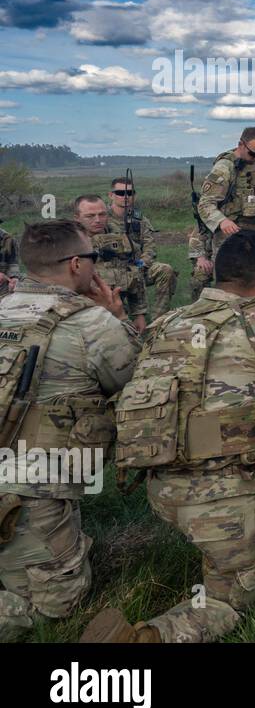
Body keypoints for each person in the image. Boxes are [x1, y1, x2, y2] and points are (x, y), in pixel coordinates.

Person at [82, 230, 255, 643]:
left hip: (162, 488)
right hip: (226, 496)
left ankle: (228, 543)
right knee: (238, 599)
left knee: (243, 547)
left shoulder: (168, 322)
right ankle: (148, 638)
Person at [0, 219, 139, 641]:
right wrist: (116, 316)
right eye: (93, 257)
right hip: (30, 485)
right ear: (76, 263)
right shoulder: (91, 324)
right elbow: (134, 379)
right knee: (56, 609)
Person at [197, 127, 255, 256]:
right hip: (232, 236)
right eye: (253, 154)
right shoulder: (225, 167)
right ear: (241, 145)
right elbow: (205, 204)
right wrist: (222, 221)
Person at [73, 194, 147, 332]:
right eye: (90, 216)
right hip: (81, 311)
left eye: (102, 214)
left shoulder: (121, 237)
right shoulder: (67, 243)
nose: (98, 220)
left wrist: (139, 313)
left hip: (116, 306)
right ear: (77, 217)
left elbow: (135, 273)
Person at [108, 176, 177, 318]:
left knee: (165, 270)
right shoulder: (103, 219)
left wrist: (142, 264)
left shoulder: (139, 219)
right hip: (113, 272)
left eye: (130, 193)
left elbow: (150, 247)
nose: (125, 197)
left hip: (139, 268)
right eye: (120, 193)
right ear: (111, 195)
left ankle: (159, 320)